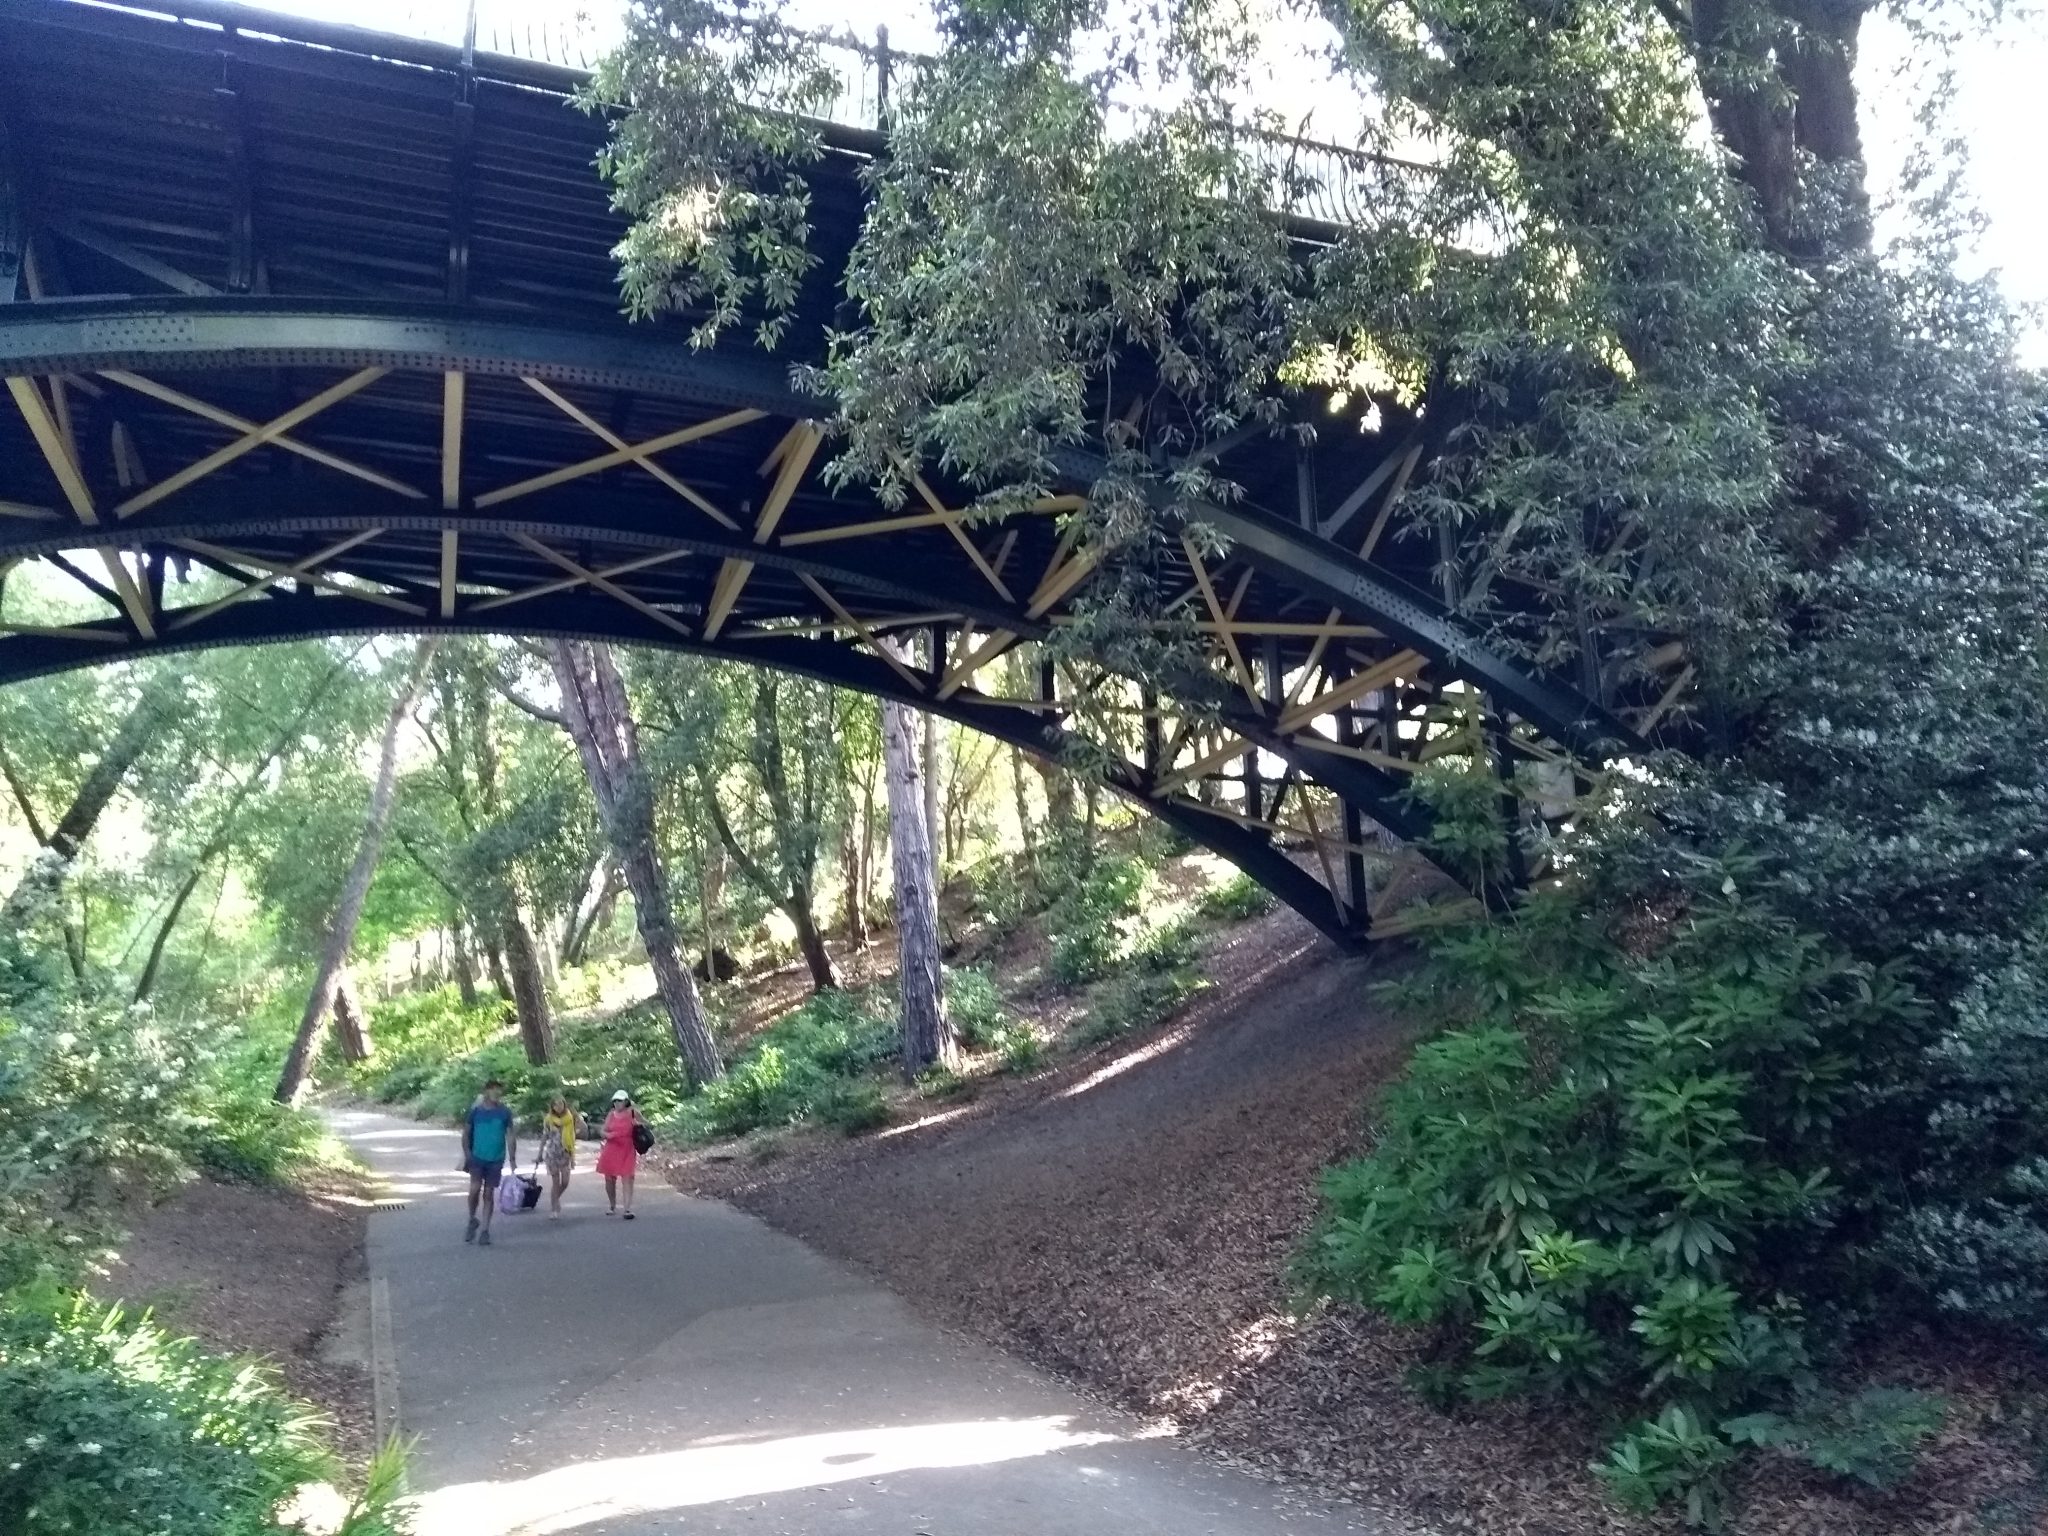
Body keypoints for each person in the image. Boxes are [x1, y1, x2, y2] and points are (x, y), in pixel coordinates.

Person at [460, 1078, 516, 1247]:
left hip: (496, 1159)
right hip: (477, 1157)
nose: (496, 1093)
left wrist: (512, 1158)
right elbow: (466, 1133)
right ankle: (472, 1219)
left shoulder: (505, 1112)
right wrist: (467, 1153)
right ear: (486, 1092)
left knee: (489, 1194)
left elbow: (511, 1136)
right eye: (493, 1090)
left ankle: (485, 1230)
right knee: (474, 1190)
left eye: (499, 1090)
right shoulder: (476, 1112)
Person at [594, 1089, 645, 1219]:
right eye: (615, 1101)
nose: (617, 1103)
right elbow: (602, 1131)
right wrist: (608, 1135)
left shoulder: (633, 1113)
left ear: (626, 1101)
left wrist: (638, 1125)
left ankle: (627, 1209)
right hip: (611, 1148)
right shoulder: (611, 1114)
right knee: (609, 1179)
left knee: (628, 1177)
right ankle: (612, 1205)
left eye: (620, 1101)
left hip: (627, 1148)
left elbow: (646, 1124)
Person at [539, 1094, 577, 1220]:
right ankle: (554, 1207)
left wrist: (572, 1157)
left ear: (565, 1105)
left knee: (565, 1182)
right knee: (555, 1182)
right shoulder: (548, 1119)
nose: (559, 1106)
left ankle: (555, 1198)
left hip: (565, 1152)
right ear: (552, 1106)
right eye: (556, 1104)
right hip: (552, 1153)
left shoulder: (569, 1118)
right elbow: (545, 1136)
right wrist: (539, 1153)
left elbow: (572, 1136)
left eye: (561, 1104)